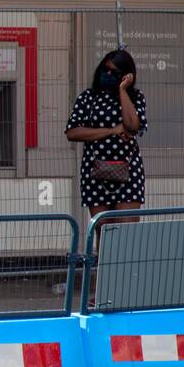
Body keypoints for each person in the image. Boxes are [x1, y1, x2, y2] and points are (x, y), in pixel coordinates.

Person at [66, 49, 147, 241]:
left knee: (125, 228)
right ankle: (103, 270)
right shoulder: (88, 98)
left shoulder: (135, 97)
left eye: (114, 72)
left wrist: (122, 91)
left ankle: (126, 271)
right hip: (96, 171)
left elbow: (133, 126)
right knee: (102, 228)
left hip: (128, 170)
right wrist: (111, 131)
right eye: (105, 69)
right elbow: (73, 132)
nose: (108, 74)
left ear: (126, 75)